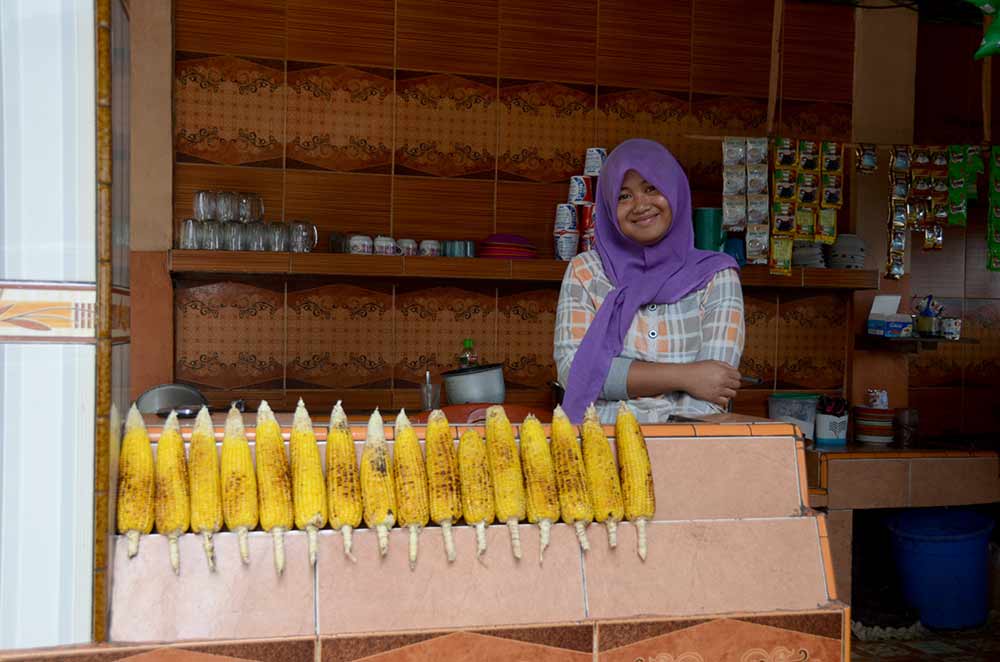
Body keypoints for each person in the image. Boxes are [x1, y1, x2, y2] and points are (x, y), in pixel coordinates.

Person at [554, 138, 745, 423]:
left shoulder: (716, 275)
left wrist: (616, 376)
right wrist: (686, 375)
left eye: (652, 188)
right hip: (602, 448)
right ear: (607, 206)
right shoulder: (586, 272)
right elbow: (574, 372)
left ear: (675, 191)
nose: (640, 205)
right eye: (623, 196)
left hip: (689, 451)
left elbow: (715, 386)